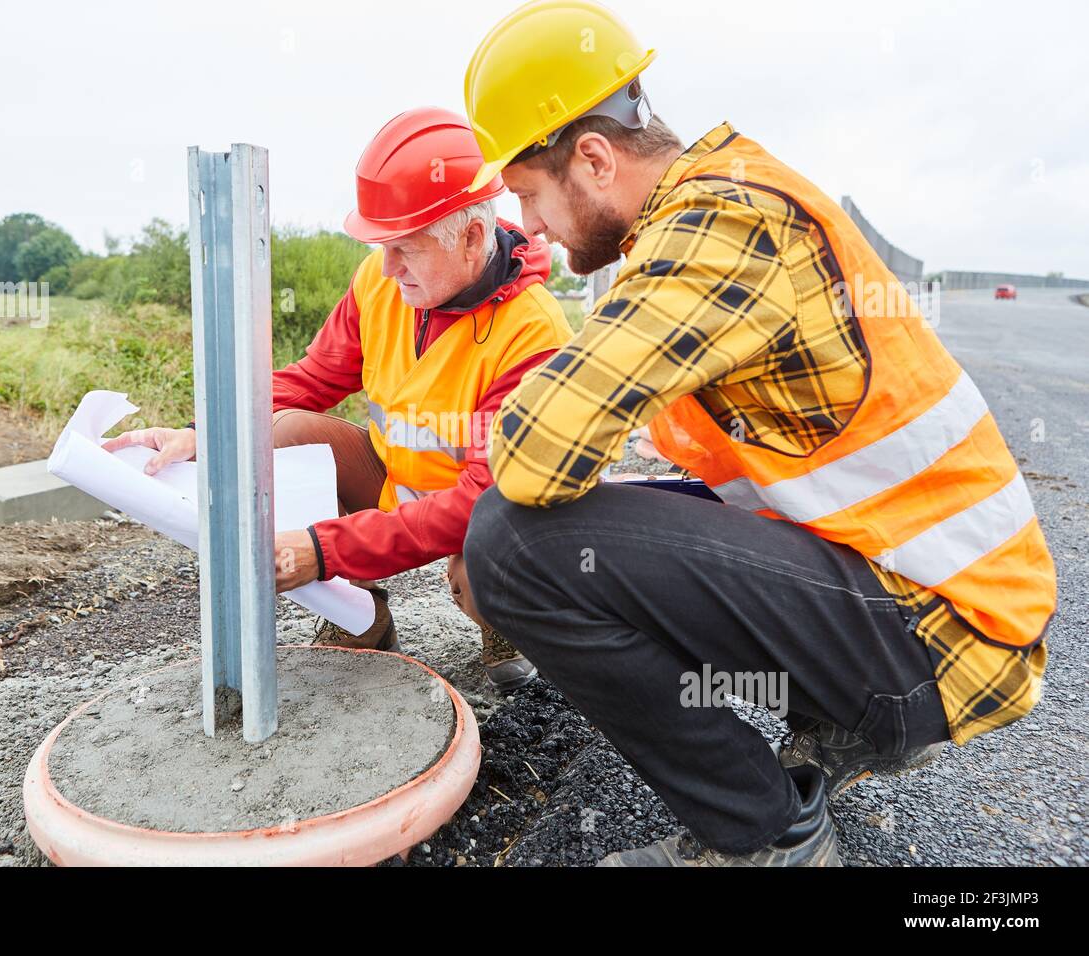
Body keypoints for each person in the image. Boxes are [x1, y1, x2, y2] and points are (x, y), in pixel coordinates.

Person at [459, 0, 1056, 865]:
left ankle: (766, 837)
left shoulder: (719, 228)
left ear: (591, 158)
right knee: (617, 518)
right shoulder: (723, 196)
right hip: (930, 598)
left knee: (516, 546)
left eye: (527, 195)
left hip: (942, 636)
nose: (531, 229)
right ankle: (835, 719)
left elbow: (535, 456)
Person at [105, 107, 574, 691]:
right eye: (380, 245)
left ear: (473, 237)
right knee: (285, 435)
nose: (386, 267)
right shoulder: (382, 281)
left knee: (490, 560)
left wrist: (321, 552)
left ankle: (504, 626)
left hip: (485, 506)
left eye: (404, 248)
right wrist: (205, 434)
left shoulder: (534, 333)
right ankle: (362, 622)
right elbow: (312, 378)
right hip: (397, 478)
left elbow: (481, 495)